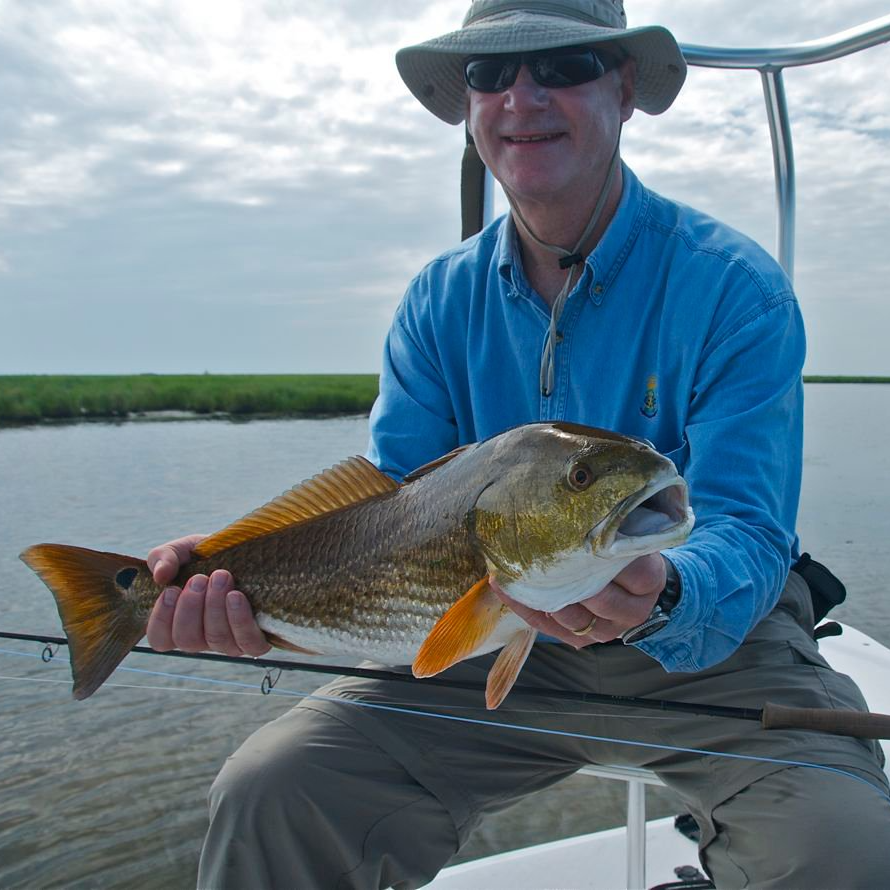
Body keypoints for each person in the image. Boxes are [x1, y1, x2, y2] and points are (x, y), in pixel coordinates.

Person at [146, 2, 890, 887]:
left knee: (842, 843)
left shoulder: (737, 291)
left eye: (562, 64)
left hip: (711, 652)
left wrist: (663, 593)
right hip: (480, 640)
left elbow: (748, 527)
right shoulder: (437, 302)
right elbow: (384, 511)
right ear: (467, 106)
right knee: (270, 792)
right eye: (490, 75)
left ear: (623, 86)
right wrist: (239, 579)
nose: (520, 97)